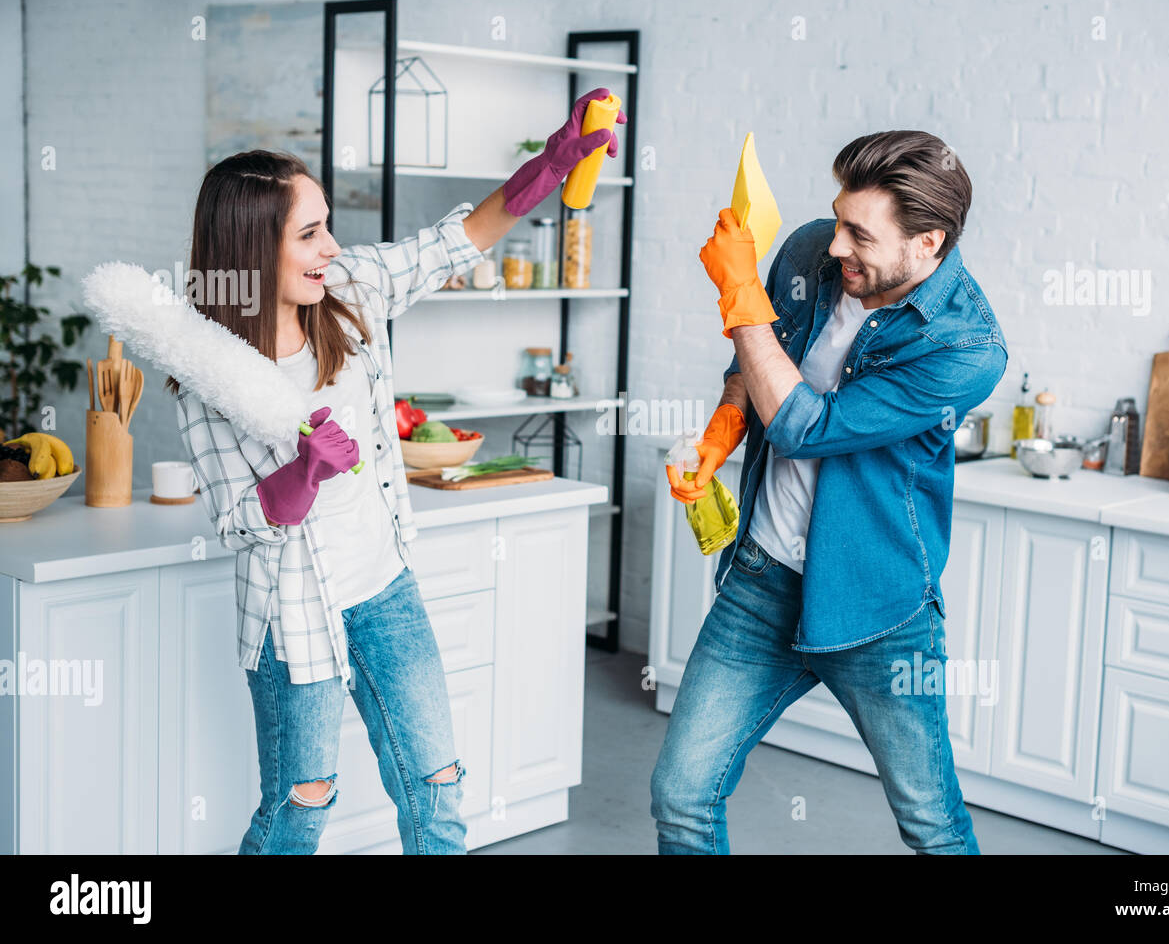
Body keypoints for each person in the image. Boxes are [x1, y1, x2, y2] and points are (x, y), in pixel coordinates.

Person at [168, 89, 625, 855]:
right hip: (293, 614)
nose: (332, 249)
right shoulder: (210, 375)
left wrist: (548, 165)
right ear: (252, 249)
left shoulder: (349, 292)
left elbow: (454, 243)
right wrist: (302, 474)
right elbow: (237, 519)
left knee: (437, 786)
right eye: (309, 234)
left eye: (327, 228)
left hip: (384, 587)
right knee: (299, 809)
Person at [653, 130, 1007, 854]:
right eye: (838, 218)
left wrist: (739, 295)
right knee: (681, 792)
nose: (835, 245)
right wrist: (722, 431)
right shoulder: (812, 252)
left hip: (877, 611)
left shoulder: (965, 346)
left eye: (859, 233)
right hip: (761, 581)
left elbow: (807, 427)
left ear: (927, 242)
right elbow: (754, 372)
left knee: (932, 825)